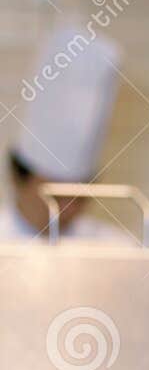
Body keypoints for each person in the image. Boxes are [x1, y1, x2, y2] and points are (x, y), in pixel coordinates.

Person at [0, 22, 124, 245]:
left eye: (81, 198)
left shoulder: (114, 250)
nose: (68, 210)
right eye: (56, 196)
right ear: (17, 178)